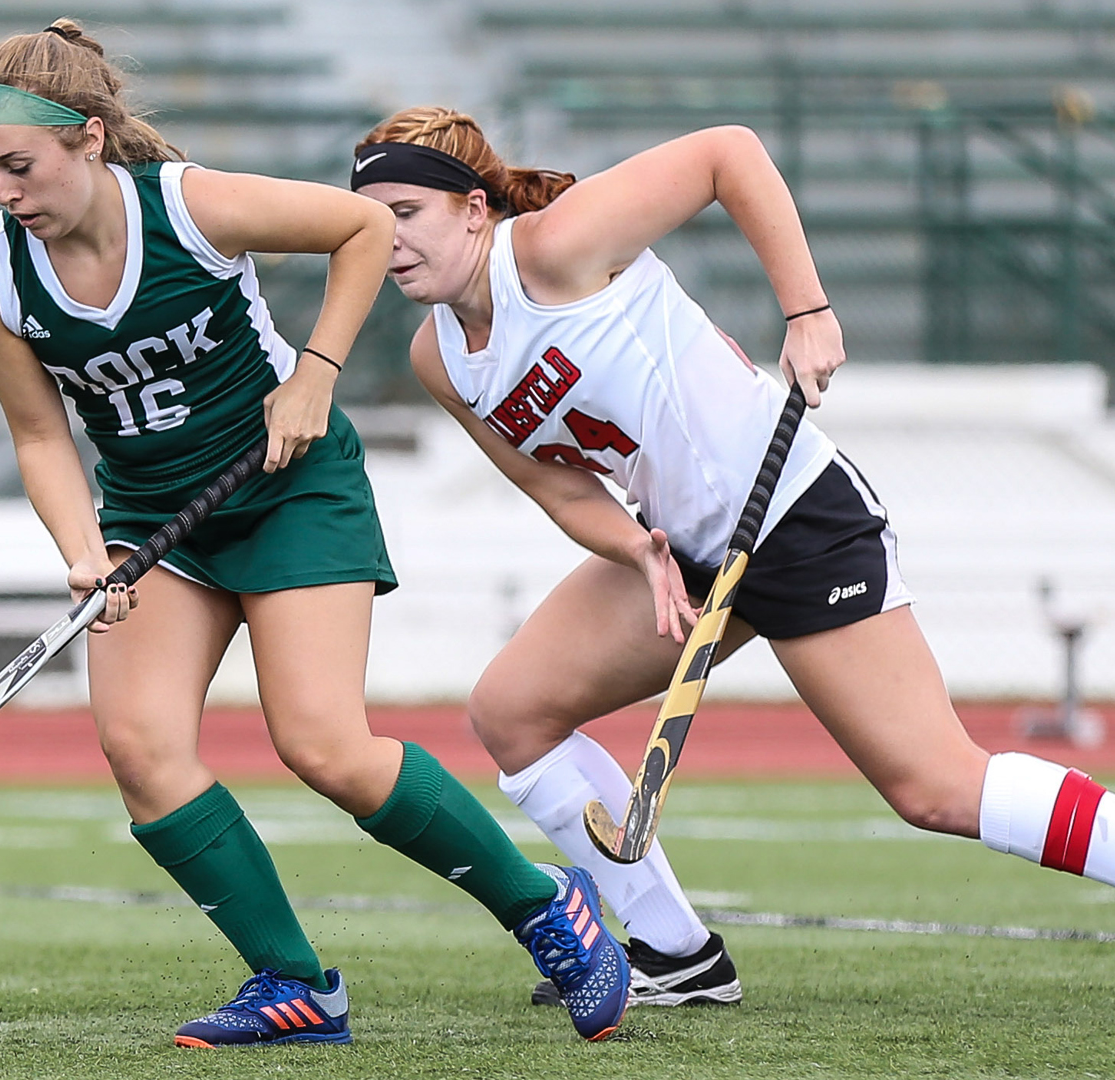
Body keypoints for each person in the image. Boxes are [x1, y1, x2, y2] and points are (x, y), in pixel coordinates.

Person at [0, 24, 631, 1047]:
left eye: (20, 166)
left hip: (289, 490)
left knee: (324, 746)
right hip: (156, 521)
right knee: (141, 754)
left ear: (89, 139)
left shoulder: (191, 205)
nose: (6, 193)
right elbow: (41, 431)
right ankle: (294, 983)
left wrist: (313, 375)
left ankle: (546, 909)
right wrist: (81, 552)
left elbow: (361, 230)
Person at [350, 106, 1115, 1009]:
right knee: (513, 712)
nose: (386, 238)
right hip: (688, 548)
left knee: (935, 787)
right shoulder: (439, 357)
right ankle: (676, 954)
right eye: (372, 218)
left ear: (474, 209)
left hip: (790, 512)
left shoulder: (553, 249)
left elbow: (728, 153)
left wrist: (808, 310)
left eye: (406, 211)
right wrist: (637, 549)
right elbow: (559, 490)